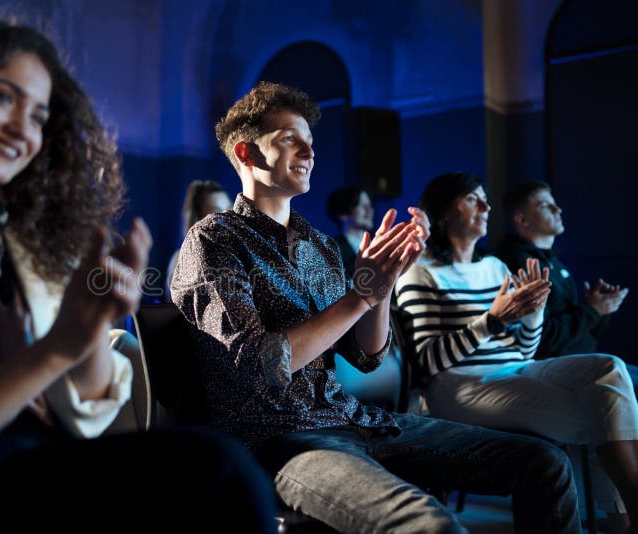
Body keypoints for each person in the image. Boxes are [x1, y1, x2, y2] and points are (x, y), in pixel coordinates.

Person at [0, 13, 277, 534]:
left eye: (39, 115)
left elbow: (88, 415)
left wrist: (93, 330)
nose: (23, 128)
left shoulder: (32, 240)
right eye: (3, 97)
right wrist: (55, 350)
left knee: (223, 469)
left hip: (47, 460)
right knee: (216, 472)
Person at [171, 81, 582, 533]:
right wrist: (359, 297)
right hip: (281, 438)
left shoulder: (319, 246)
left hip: (353, 418)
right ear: (247, 154)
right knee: (429, 524)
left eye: (311, 141)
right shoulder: (214, 240)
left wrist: (381, 290)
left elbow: (365, 356)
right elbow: (261, 365)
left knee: (545, 462)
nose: (309, 151)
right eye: (290, 138)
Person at [394, 171, 638, 531]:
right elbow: (430, 363)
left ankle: (629, 517)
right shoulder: (420, 274)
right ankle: (628, 517)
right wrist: (491, 320)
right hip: (461, 385)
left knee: (609, 369)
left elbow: (523, 352)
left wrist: (532, 314)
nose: (486, 206)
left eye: (484, 198)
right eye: (473, 199)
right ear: (446, 211)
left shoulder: (494, 267)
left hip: (513, 370)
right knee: (605, 411)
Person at [497, 180, 629, 358]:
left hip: (585, 358)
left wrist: (600, 308)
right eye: (545, 206)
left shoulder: (554, 263)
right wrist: (592, 311)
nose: (557, 209)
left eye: (555, 204)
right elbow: (542, 339)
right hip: (557, 369)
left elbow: (583, 336)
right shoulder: (520, 264)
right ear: (522, 220)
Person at [165, 179, 231, 299]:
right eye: (217, 211)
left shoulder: (236, 256)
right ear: (197, 218)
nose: (226, 217)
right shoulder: (181, 258)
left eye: (228, 209)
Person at [326, 185, 374, 278]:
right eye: (362, 205)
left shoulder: (379, 244)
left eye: (370, 205)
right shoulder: (333, 251)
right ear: (343, 213)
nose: (370, 210)